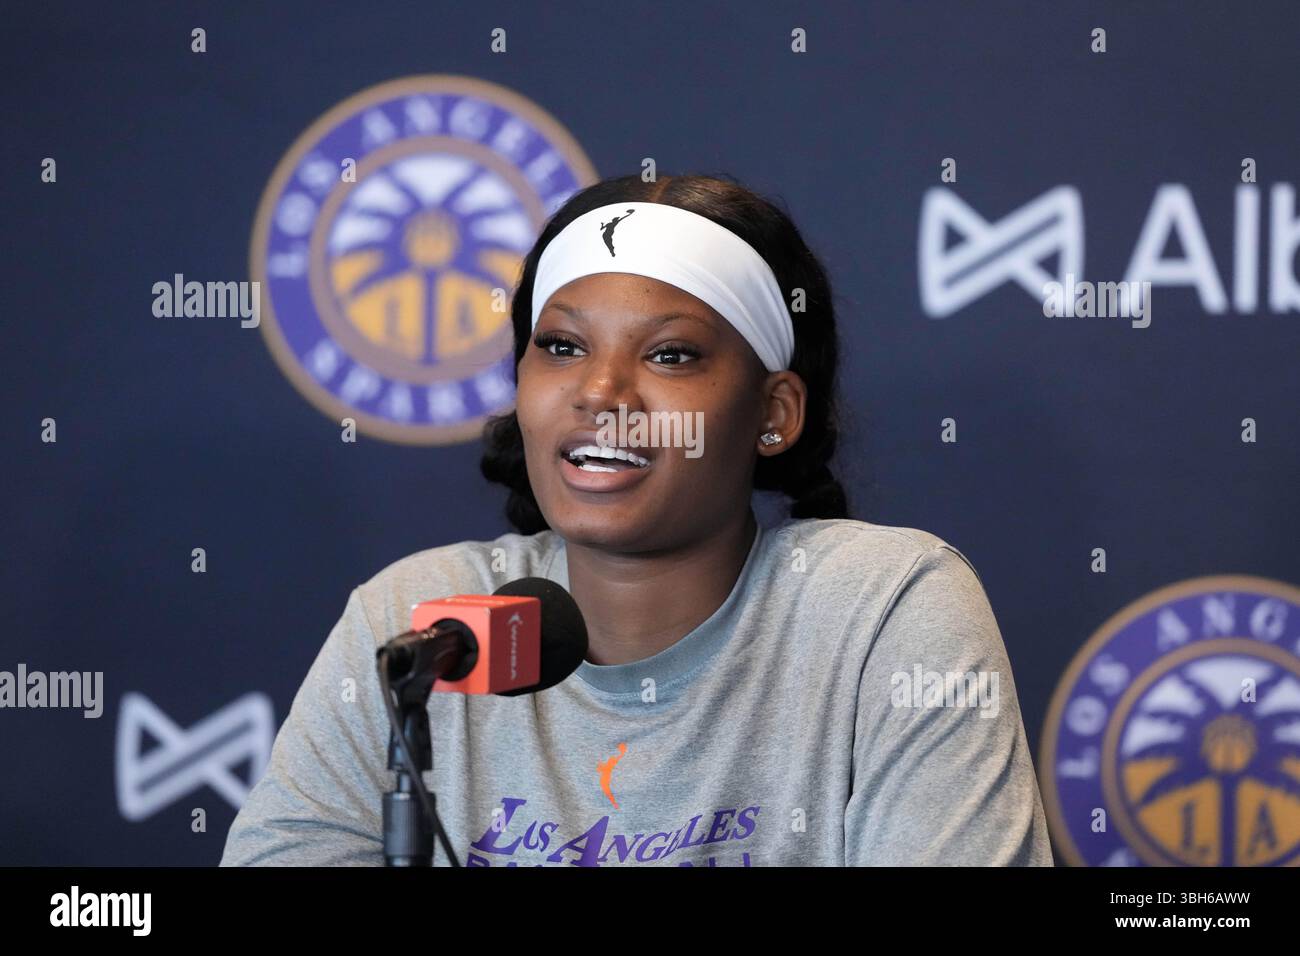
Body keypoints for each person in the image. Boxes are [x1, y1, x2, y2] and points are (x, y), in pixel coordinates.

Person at [220, 173, 1053, 867]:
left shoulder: (885, 608)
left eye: (670, 355)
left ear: (773, 412)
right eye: (562, 347)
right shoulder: (421, 618)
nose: (600, 394)